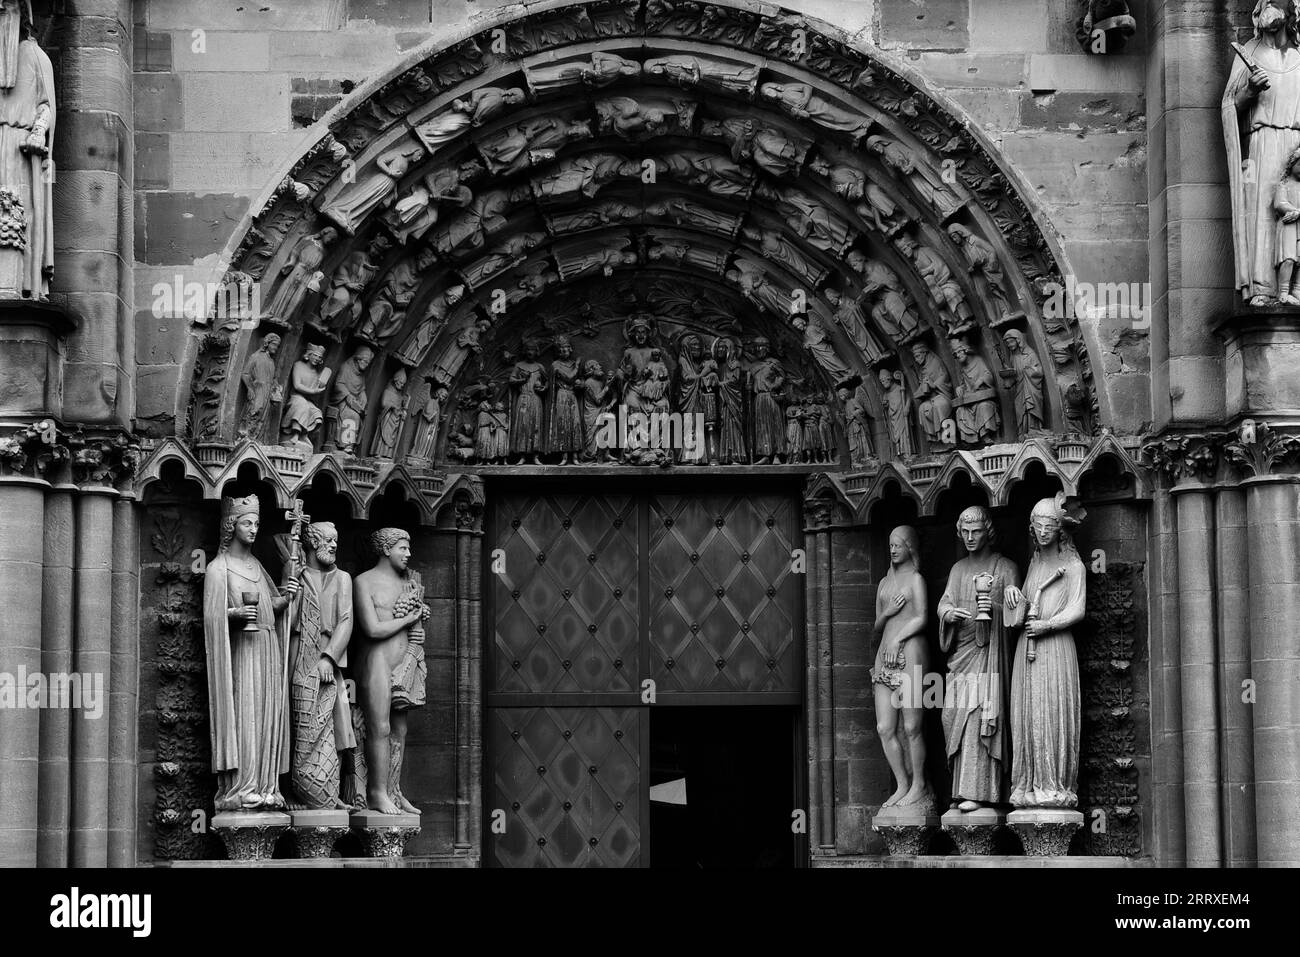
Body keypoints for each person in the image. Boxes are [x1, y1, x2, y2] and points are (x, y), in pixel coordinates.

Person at [202, 495, 299, 811]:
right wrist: (233, 614)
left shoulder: (256, 565)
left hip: (267, 649)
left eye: (257, 522)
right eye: (247, 522)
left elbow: (269, 606)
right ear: (232, 525)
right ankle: (242, 787)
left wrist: (285, 598)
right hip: (242, 656)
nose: (254, 528)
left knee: (265, 718)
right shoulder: (218, 568)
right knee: (246, 717)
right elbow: (211, 617)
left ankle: (266, 784)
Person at [1007, 494, 1088, 808]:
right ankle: (1027, 784)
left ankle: (1052, 786)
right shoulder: (1036, 563)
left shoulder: (1073, 566)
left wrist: (1048, 626)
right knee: (1026, 715)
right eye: (1038, 526)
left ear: (1060, 529)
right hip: (1028, 648)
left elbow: (1077, 610)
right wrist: (1014, 594)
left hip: (1054, 648)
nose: (1043, 532)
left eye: (1049, 526)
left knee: (1049, 712)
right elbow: (1028, 604)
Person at [937, 507, 1020, 812]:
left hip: (990, 655)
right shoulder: (958, 569)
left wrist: (1000, 603)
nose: (970, 538)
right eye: (965, 532)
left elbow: (1017, 616)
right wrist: (948, 614)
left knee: (979, 718)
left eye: (977, 532)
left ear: (989, 532)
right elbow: (944, 603)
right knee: (952, 715)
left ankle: (982, 791)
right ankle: (960, 789)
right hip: (962, 654)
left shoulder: (1005, 567)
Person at [351, 528, 429, 814]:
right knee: (379, 727)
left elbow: (416, 625)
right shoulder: (363, 582)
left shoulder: (410, 583)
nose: (408, 554)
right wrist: (410, 619)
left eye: (408, 549)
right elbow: (371, 629)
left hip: (404, 663)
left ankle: (394, 790)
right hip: (377, 662)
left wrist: (418, 628)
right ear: (386, 549)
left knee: (400, 729)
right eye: (402, 548)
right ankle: (376, 792)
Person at [871, 525, 932, 808]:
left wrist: (898, 637)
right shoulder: (884, 584)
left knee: (912, 726)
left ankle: (920, 784)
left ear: (909, 547)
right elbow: (875, 628)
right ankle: (902, 783)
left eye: (898, 544)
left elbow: (922, 617)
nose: (893, 549)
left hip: (910, 652)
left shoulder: (916, 579)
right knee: (885, 727)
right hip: (885, 657)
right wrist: (887, 613)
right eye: (890, 545)